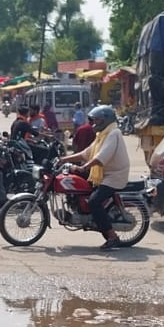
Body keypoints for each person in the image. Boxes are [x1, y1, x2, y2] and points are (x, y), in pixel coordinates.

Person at [58, 105, 130, 251]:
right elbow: (86, 153)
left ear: (106, 120)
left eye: (97, 120)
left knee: (94, 202)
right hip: (104, 173)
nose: (94, 123)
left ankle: (112, 237)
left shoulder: (113, 133)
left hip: (114, 175)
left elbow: (101, 157)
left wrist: (84, 167)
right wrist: (64, 159)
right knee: (74, 177)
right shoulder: (102, 135)